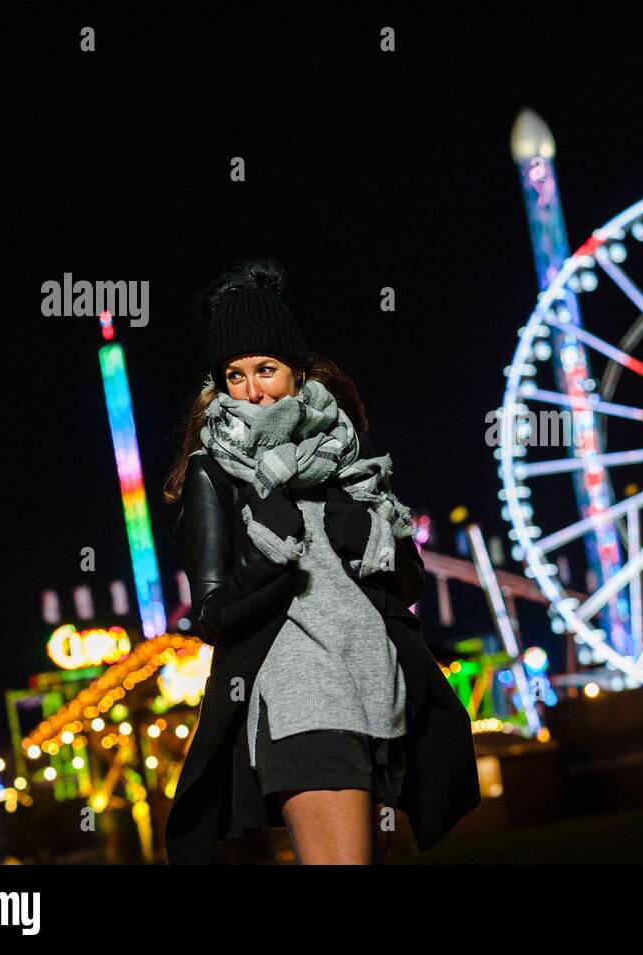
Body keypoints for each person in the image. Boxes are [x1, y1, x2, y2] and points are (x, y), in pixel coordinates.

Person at [160, 258, 480, 864]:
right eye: (234, 375)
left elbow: (404, 586)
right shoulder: (216, 470)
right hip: (299, 697)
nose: (252, 391)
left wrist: (369, 536)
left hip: (376, 690)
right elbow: (209, 615)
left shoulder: (347, 460)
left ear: (299, 372)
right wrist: (270, 556)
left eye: (266, 370)